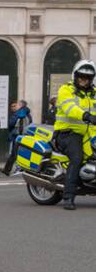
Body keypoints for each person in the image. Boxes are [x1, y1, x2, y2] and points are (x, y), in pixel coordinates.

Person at [54, 59, 96, 210]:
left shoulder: (94, 93)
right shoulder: (66, 90)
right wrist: (86, 116)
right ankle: (68, 197)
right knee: (77, 158)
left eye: (87, 78)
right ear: (76, 76)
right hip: (67, 134)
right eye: (81, 77)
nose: (84, 80)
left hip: (88, 135)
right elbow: (69, 107)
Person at [2, 99, 32, 175]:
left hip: (18, 135)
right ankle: (7, 169)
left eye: (17, 105)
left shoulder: (18, 113)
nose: (16, 107)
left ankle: (10, 169)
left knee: (15, 153)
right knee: (18, 153)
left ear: (21, 105)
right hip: (26, 135)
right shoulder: (28, 113)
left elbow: (11, 123)